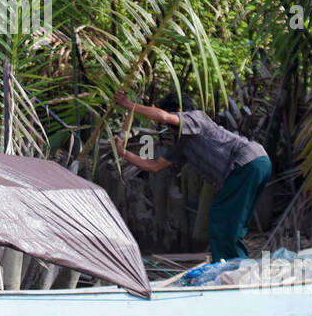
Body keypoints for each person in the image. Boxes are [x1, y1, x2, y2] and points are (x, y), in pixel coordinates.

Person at [112, 89, 271, 261]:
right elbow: (155, 166)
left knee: (221, 215)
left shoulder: (195, 117)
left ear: (177, 112)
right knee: (233, 220)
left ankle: (231, 266)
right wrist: (123, 153)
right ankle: (235, 264)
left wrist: (129, 105)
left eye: (169, 125)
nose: (167, 128)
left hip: (245, 163)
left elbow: (165, 117)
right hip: (256, 162)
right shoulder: (183, 143)